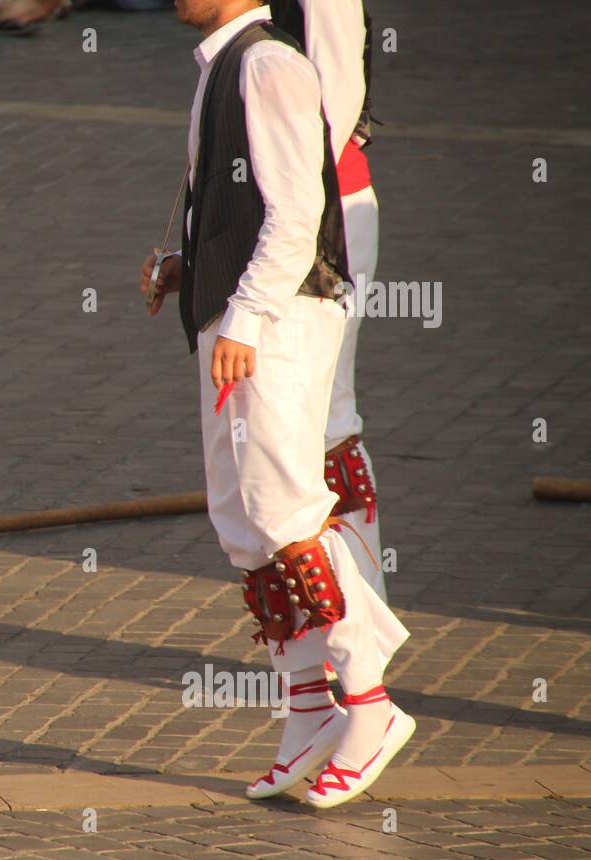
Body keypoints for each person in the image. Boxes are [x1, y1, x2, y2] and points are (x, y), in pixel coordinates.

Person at [140, 0, 412, 809]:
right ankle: (307, 710)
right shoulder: (229, 65)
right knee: (241, 516)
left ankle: (368, 700)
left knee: (283, 505)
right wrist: (187, 267)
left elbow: (298, 214)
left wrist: (250, 314)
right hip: (241, 315)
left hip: (280, 320)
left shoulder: (269, 65)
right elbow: (237, 204)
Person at [268, 0, 385, 606]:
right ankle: (338, 632)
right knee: (288, 427)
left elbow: (334, 99)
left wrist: (297, 227)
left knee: (326, 421)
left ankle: (357, 621)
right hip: (286, 214)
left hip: (320, 213)